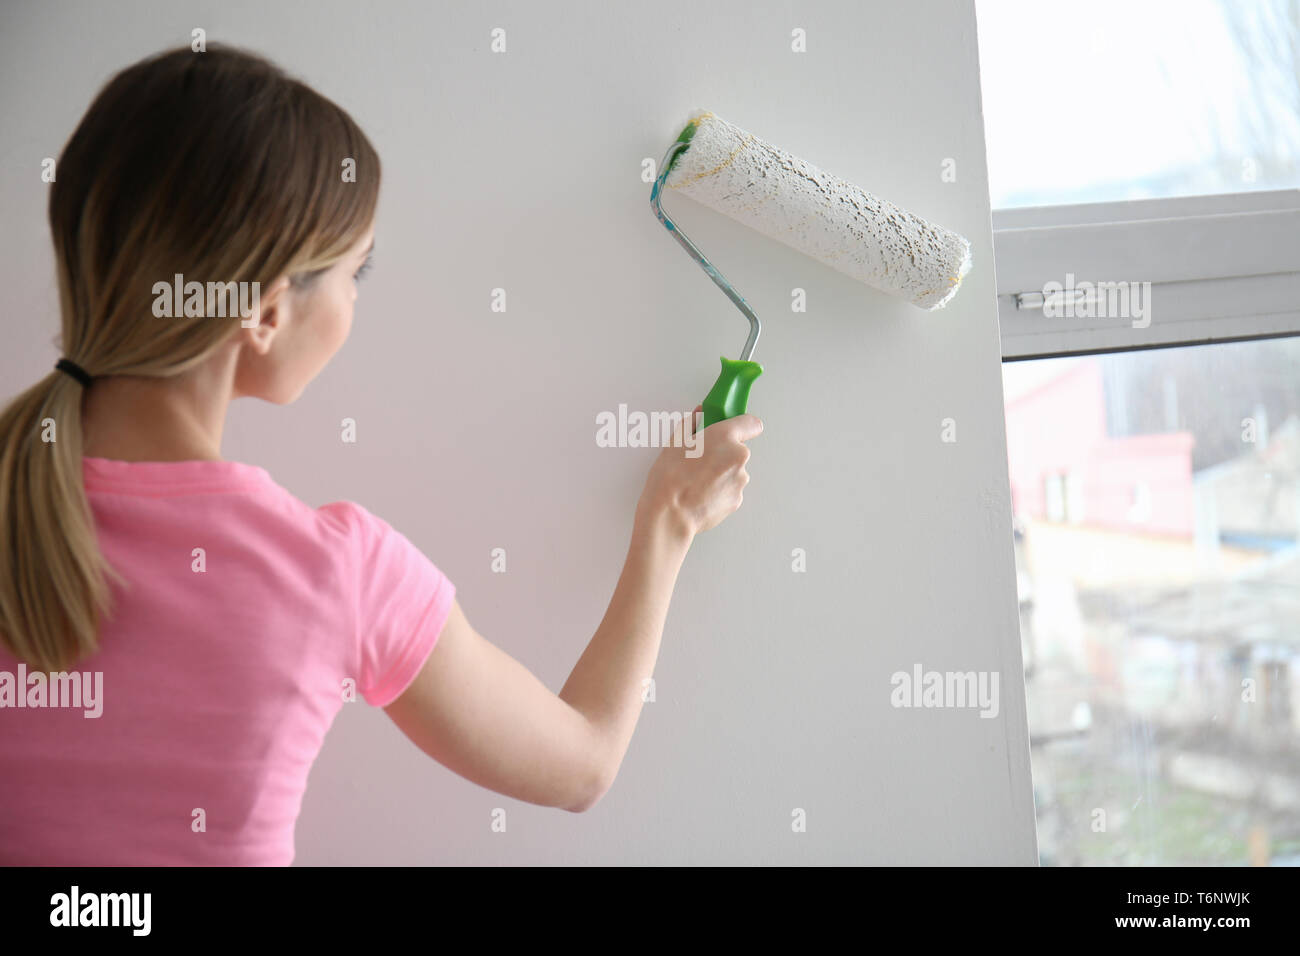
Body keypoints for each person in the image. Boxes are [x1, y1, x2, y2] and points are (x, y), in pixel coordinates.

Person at [0, 44, 762, 865]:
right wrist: (667, 522)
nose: (355, 300)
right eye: (355, 271)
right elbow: (581, 765)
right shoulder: (334, 572)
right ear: (262, 314)